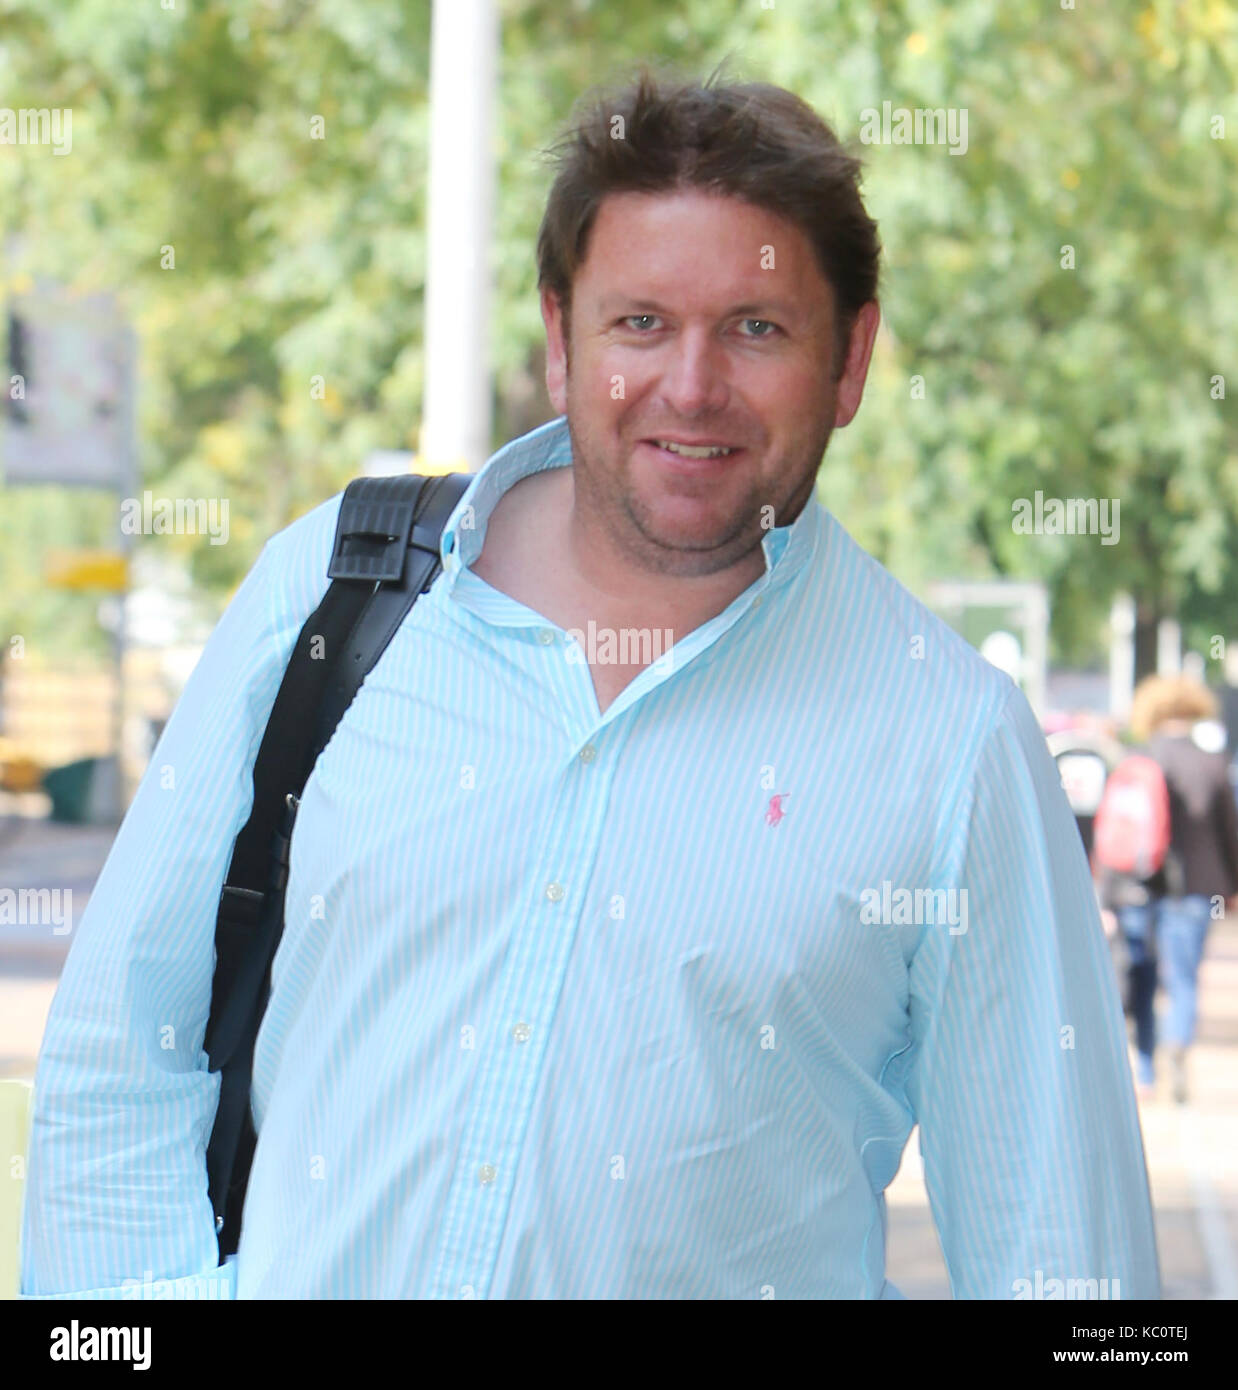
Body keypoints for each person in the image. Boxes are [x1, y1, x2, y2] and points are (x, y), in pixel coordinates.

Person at [20, 67, 1160, 1300]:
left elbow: (1066, 1267)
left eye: (756, 328)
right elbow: (114, 1046)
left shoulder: (950, 743)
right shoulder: (335, 595)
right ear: (561, 341)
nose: (690, 386)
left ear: (852, 358)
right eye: (639, 324)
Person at [1106, 675, 1238, 1104]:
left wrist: (1107, 892)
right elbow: (1228, 833)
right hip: (1198, 889)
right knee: (1182, 979)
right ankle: (1178, 1043)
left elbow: (1118, 830)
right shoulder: (1212, 762)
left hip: (1140, 886)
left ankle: (1145, 1069)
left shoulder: (1140, 759)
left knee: (1142, 976)